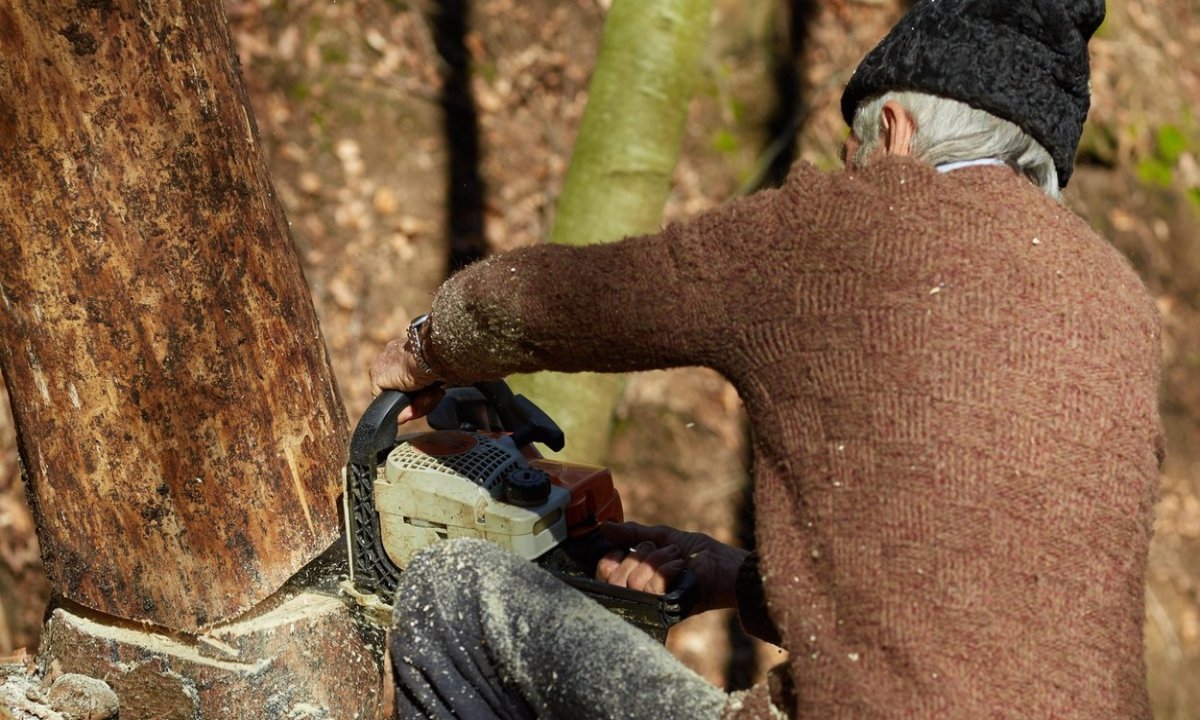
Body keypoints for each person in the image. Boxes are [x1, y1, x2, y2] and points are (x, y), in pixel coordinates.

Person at [371, 0, 1164, 717]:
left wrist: (427, 347)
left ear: (895, 133)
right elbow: (978, 598)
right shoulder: (1121, 306)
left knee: (453, 596)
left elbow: (567, 303)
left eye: (855, 151)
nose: (852, 172)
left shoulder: (847, 229)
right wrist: (731, 577)